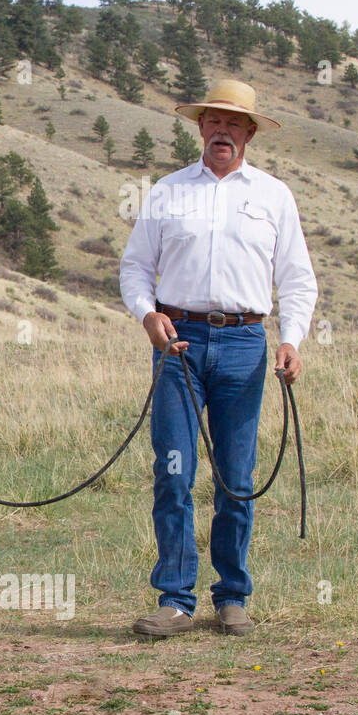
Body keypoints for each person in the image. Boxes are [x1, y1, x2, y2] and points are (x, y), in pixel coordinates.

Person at [118, 79, 318, 637]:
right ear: (200, 127)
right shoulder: (166, 191)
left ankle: (232, 596)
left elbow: (297, 279)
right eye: (213, 121)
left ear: (250, 132)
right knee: (173, 472)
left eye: (234, 123)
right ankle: (175, 599)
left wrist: (292, 339)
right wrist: (147, 315)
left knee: (236, 475)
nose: (222, 130)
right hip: (177, 343)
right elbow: (135, 267)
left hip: (244, 346)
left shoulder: (275, 195)